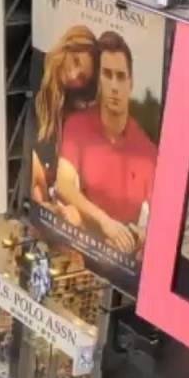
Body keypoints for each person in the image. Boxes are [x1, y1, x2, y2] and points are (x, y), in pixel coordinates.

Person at [53, 31, 157, 257]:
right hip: (80, 245)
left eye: (121, 76)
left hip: (121, 258)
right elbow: (64, 184)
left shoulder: (147, 152)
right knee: (70, 214)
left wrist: (137, 235)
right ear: (99, 79)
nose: (114, 86)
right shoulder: (77, 125)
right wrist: (105, 223)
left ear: (131, 83)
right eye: (107, 75)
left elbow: (162, 223)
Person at [31, 25, 98, 209]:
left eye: (82, 77)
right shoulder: (35, 64)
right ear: (67, 47)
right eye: (75, 61)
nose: (74, 75)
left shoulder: (68, 106)